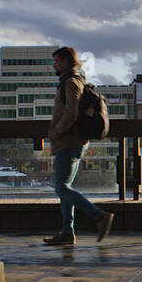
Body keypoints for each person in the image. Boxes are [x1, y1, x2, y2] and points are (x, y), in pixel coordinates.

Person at [43, 46, 113, 246]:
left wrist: (56, 132)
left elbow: (71, 112)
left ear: (66, 61)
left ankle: (99, 216)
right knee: (65, 188)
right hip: (71, 141)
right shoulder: (73, 80)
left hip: (69, 141)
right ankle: (67, 232)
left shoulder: (71, 82)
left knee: (61, 188)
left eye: (56, 61)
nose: (54, 65)